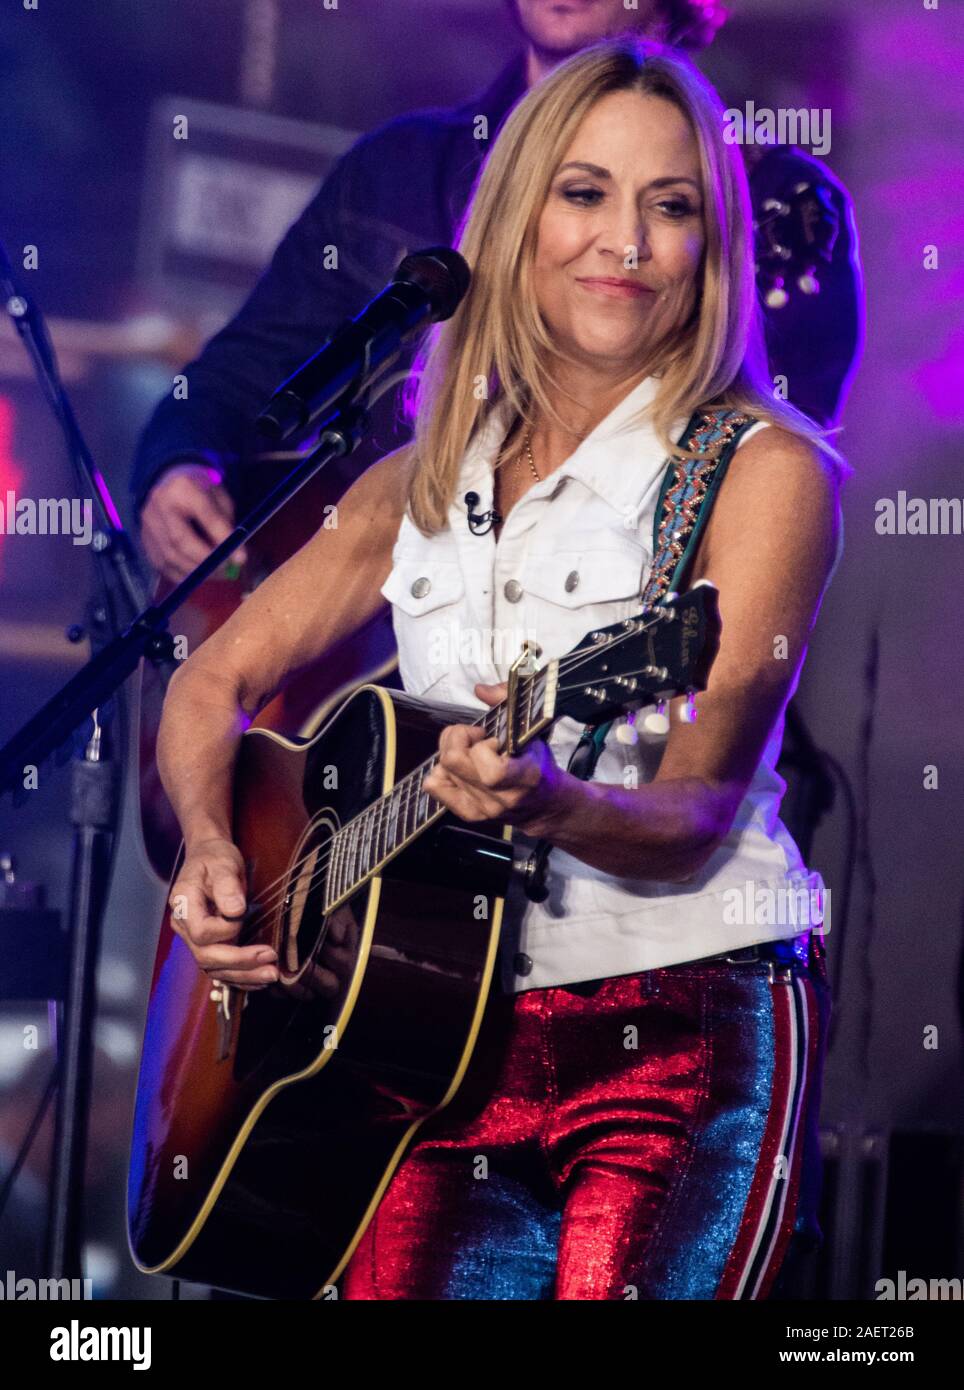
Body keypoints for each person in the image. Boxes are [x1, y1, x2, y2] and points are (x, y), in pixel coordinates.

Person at [156, 38, 844, 1300]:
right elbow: (208, 684)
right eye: (584, 194)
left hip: (680, 1028)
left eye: (670, 205)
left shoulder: (760, 472)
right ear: (516, 217)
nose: (625, 243)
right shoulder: (413, 477)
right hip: (432, 1047)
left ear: (714, 243)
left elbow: (693, 810)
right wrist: (211, 843)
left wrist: (554, 801)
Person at [132, 0, 861, 585]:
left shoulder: (773, 200)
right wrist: (178, 465)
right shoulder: (400, 164)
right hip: (348, 643)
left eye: (669, 206)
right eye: (582, 196)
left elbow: (761, 491)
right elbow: (247, 368)